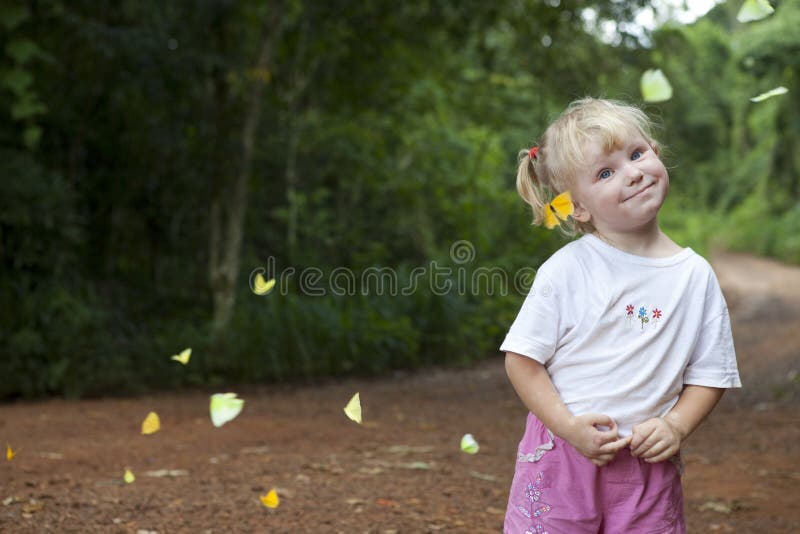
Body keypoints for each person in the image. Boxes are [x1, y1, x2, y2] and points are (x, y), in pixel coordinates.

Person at [500, 97, 741, 533]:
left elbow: (711, 373)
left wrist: (676, 426)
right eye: (605, 173)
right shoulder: (568, 270)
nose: (631, 173)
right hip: (563, 454)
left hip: (648, 464)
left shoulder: (694, 277)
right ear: (578, 207)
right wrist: (569, 427)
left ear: (655, 151)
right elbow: (522, 360)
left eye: (636, 154)